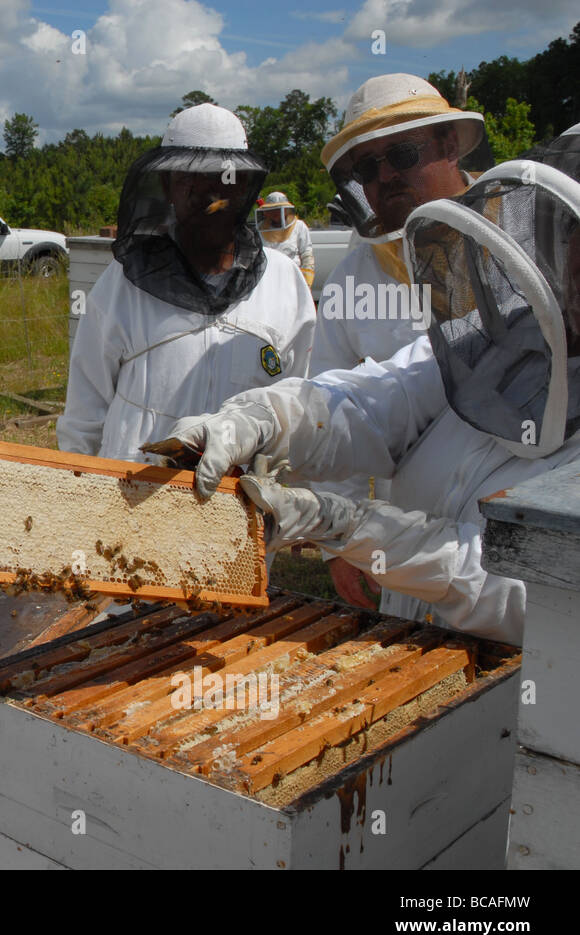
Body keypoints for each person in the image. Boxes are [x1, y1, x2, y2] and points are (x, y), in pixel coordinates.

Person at [146, 125, 580, 645]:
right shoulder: (506, 340)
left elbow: (528, 593)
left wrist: (349, 526)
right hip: (412, 633)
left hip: (519, 689)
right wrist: (263, 420)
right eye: (570, 237)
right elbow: (375, 400)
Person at [307, 74, 489, 607]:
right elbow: (327, 409)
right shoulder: (351, 281)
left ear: (449, 147)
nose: (384, 176)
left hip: (510, 527)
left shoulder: (520, 244)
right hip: (403, 536)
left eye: (403, 153)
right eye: (367, 166)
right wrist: (336, 540)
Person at [57, 103, 316, 461]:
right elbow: (83, 418)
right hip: (131, 497)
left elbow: (299, 408)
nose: (209, 194)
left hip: (236, 504)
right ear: (167, 185)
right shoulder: (120, 284)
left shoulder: (284, 281)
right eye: (190, 180)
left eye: (223, 178)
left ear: (244, 185)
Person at [257, 191, 315, 288]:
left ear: (286, 210)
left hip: (292, 280)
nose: (275, 213)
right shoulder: (259, 229)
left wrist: (306, 283)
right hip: (268, 280)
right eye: (271, 210)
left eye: (278, 209)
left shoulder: (299, 226)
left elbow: (307, 255)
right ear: (266, 212)